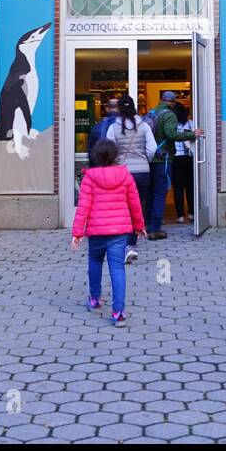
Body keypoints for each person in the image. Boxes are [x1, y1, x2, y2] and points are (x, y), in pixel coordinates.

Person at [70, 139, 144, 327]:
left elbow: (83, 207)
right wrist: (139, 225)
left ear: (96, 156)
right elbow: (134, 203)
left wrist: (77, 232)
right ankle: (118, 312)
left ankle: (95, 298)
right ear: (115, 156)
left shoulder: (89, 178)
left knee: (95, 262)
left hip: (96, 231)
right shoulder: (125, 175)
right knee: (117, 268)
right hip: (119, 231)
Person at [106, 93, 155, 265]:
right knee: (137, 208)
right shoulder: (144, 126)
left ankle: (120, 243)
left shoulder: (113, 127)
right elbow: (152, 148)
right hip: (142, 172)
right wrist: (143, 160)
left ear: (118, 108)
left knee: (121, 208)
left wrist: (116, 162)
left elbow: (109, 149)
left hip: (122, 172)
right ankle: (131, 245)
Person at [146, 90, 201, 239]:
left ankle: (148, 225)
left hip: (149, 157)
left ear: (161, 99)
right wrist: (192, 134)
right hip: (162, 158)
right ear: (173, 102)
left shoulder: (150, 113)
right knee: (159, 192)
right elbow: (172, 134)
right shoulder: (169, 115)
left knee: (150, 193)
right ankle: (155, 229)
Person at [170, 102, 195, 224]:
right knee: (190, 186)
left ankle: (180, 215)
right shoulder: (191, 123)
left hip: (175, 158)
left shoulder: (171, 125)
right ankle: (192, 213)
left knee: (178, 188)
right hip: (189, 157)